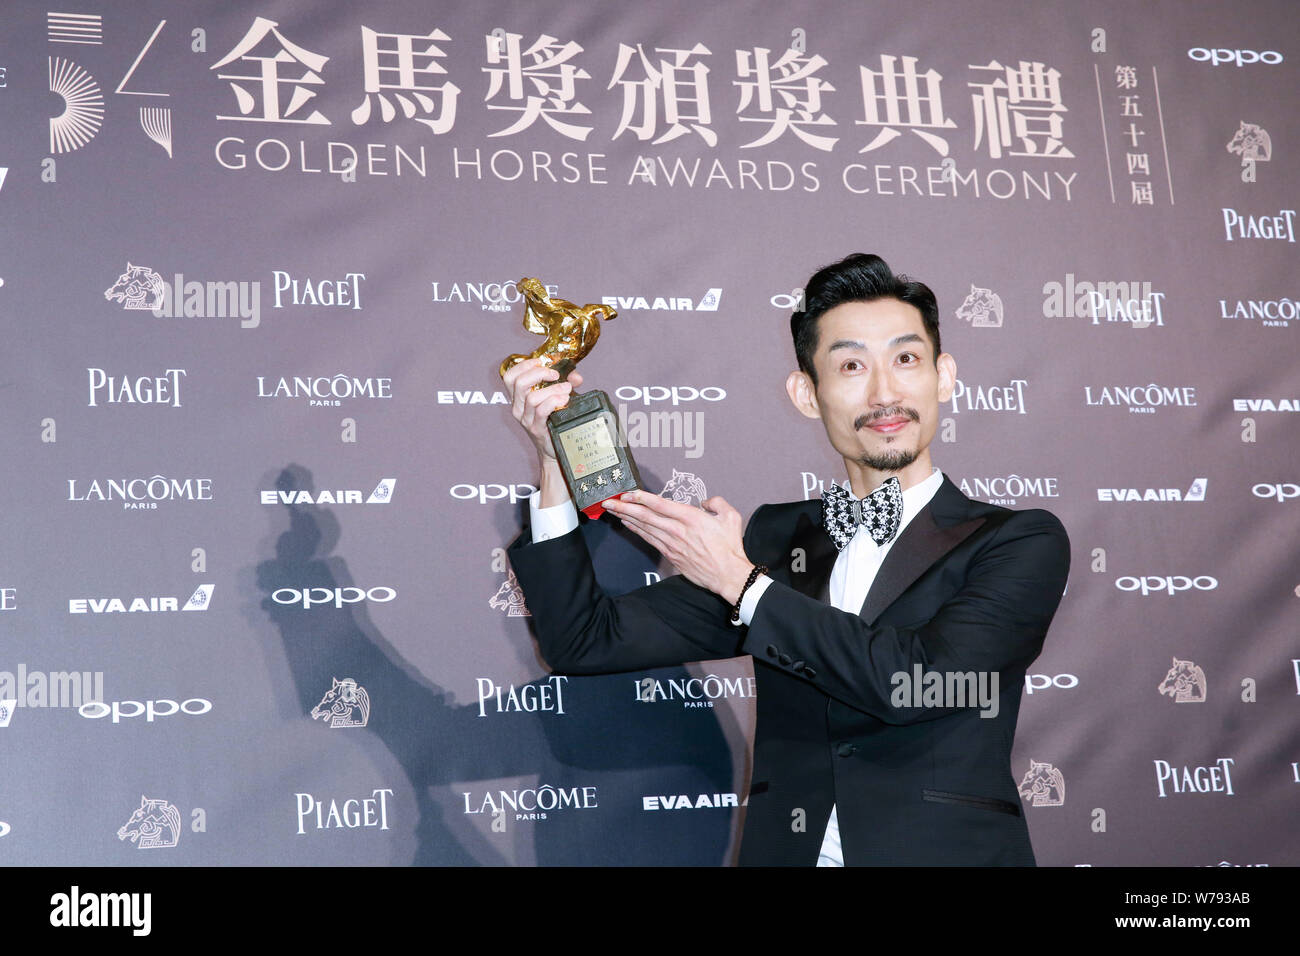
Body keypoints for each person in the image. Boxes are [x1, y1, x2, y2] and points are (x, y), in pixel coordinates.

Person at [505, 253, 1070, 865]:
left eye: (906, 359)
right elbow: (585, 642)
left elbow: (921, 684)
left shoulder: (1017, 541)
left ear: (944, 376)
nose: (885, 392)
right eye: (851, 365)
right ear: (807, 393)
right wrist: (555, 467)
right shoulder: (781, 539)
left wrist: (741, 584)